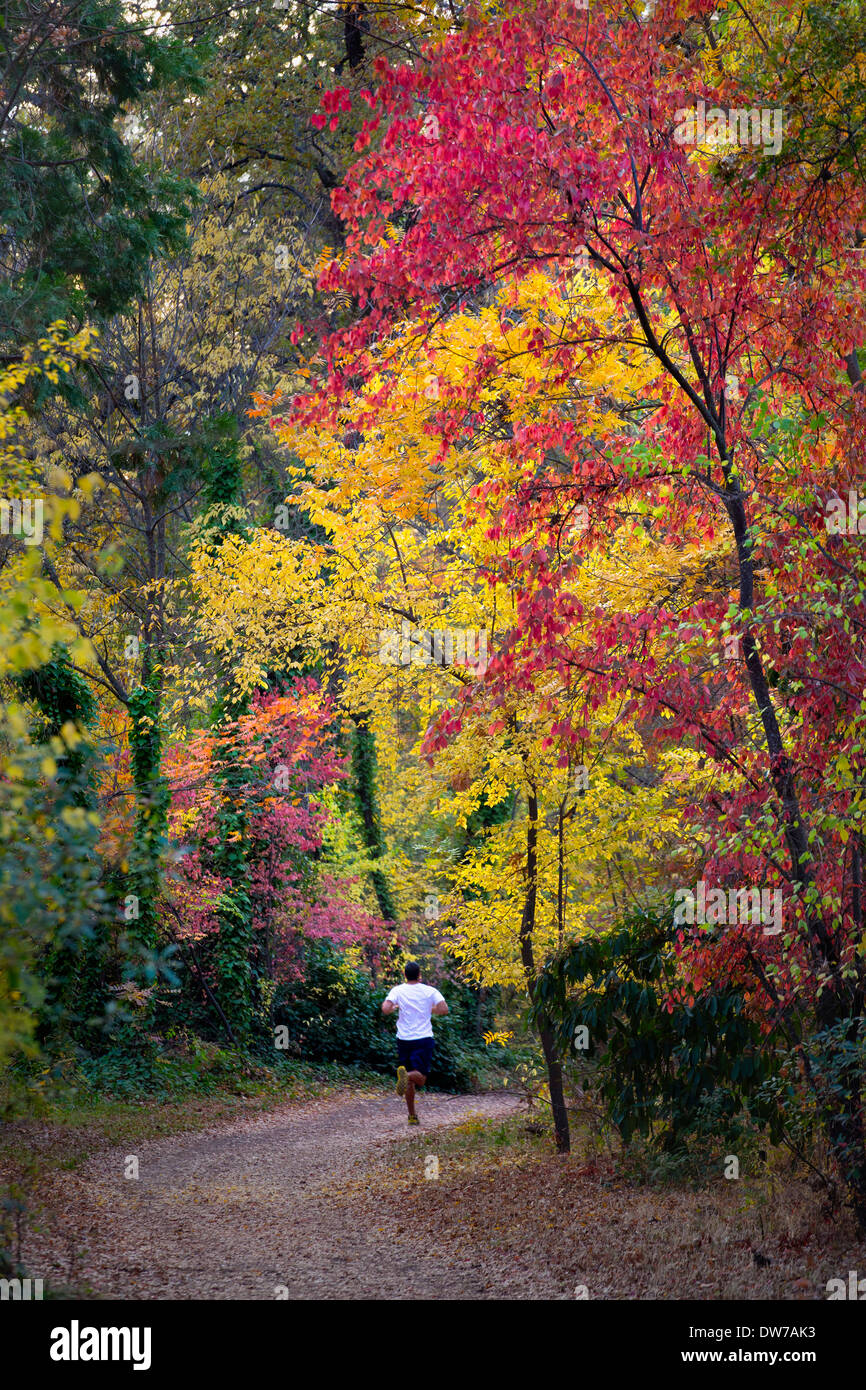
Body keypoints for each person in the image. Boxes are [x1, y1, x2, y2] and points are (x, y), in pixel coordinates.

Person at [382, 961, 448, 1125]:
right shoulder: (430, 991)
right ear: (419, 975)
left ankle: (412, 1115)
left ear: (405, 975)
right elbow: (444, 1009)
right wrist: (430, 1009)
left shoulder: (397, 990)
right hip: (423, 1039)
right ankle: (407, 1075)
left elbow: (385, 1008)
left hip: (403, 1039)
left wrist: (394, 1008)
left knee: (409, 1081)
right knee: (420, 1079)